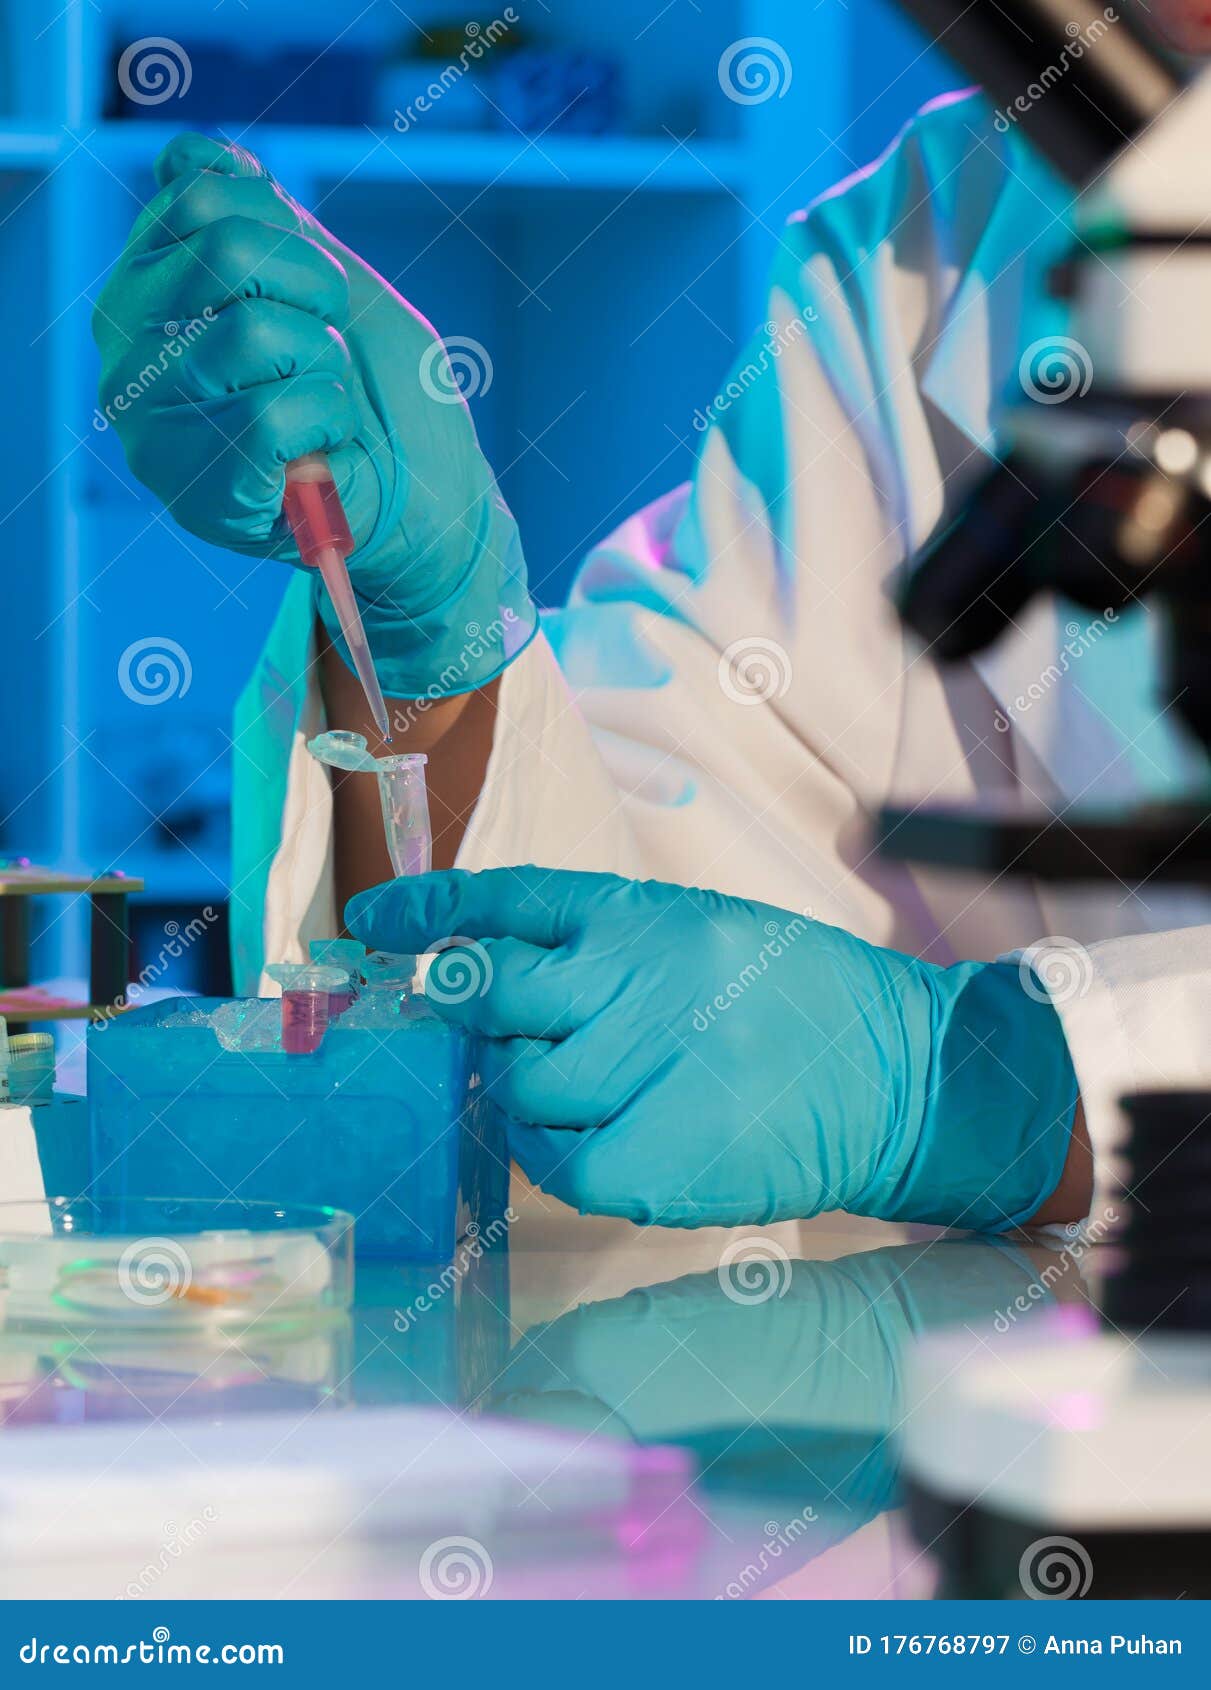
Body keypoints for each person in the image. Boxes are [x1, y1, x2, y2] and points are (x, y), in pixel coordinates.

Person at [93, 67, 1211, 1237]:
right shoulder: (943, 233)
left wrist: (1002, 1086)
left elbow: (874, 1075)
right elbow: (668, 1006)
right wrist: (439, 654)